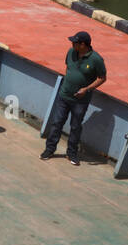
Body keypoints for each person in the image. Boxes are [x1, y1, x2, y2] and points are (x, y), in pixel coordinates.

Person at [41, 30, 107, 166]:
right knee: (57, 123)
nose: (72, 44)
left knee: (76, 127)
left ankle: (71, 153)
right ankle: (49, 149)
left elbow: (102, 78)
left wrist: (86, 89)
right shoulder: (71, 52)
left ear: (83, 44)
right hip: (64, 96)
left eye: (74, 42)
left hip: (80, 101)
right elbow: (68, 69)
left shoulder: (96, 59)